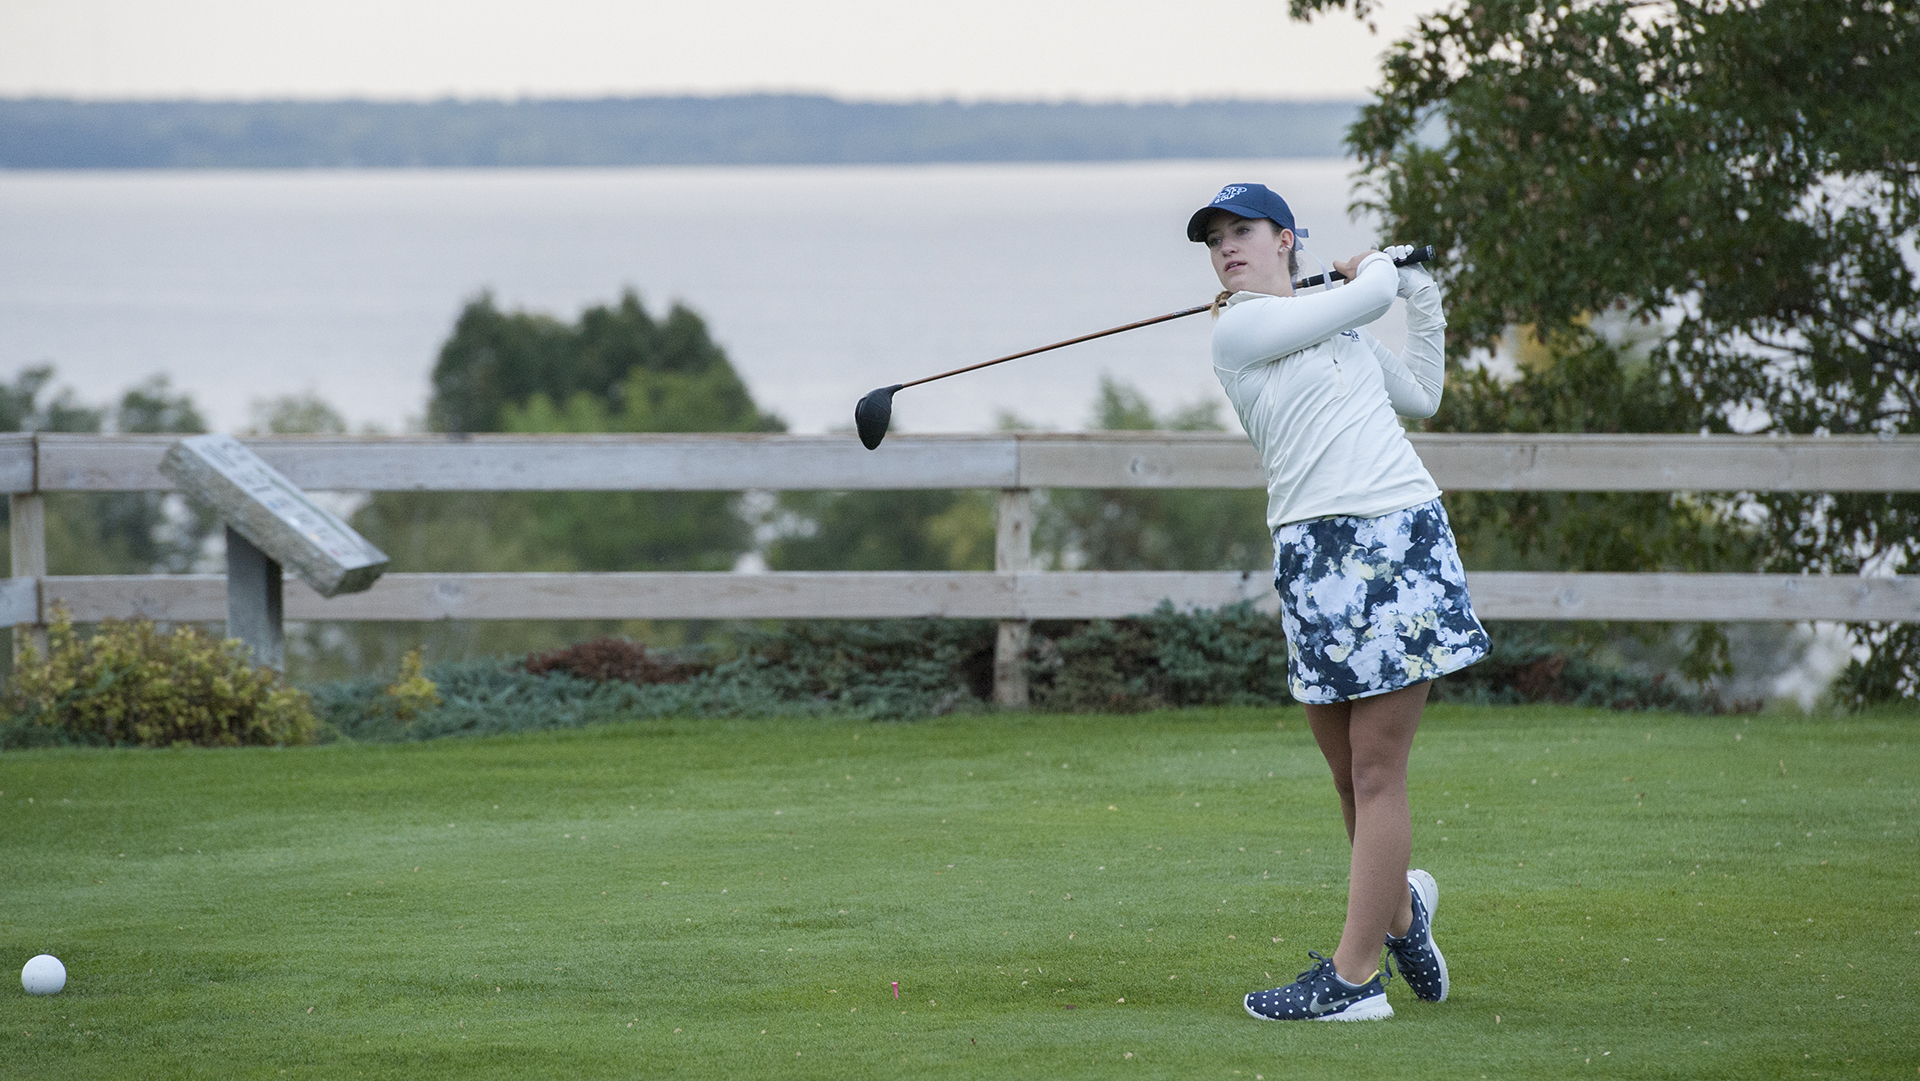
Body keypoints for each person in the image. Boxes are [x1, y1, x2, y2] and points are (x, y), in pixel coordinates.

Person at [1187, 183, 1489, 1022]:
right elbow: (1366, 291)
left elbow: (1421, 393)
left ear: (1287, 239)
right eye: (1215, 240)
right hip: (1312, 556)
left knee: (1375, 768)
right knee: (1345, 778)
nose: (1226, 248)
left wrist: (1417, 292)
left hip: (1396, 538)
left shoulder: (1342, 329)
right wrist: (1384, 271)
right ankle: (1402, 912)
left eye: (1242, 231)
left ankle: (1355, 981)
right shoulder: (1241, 329)